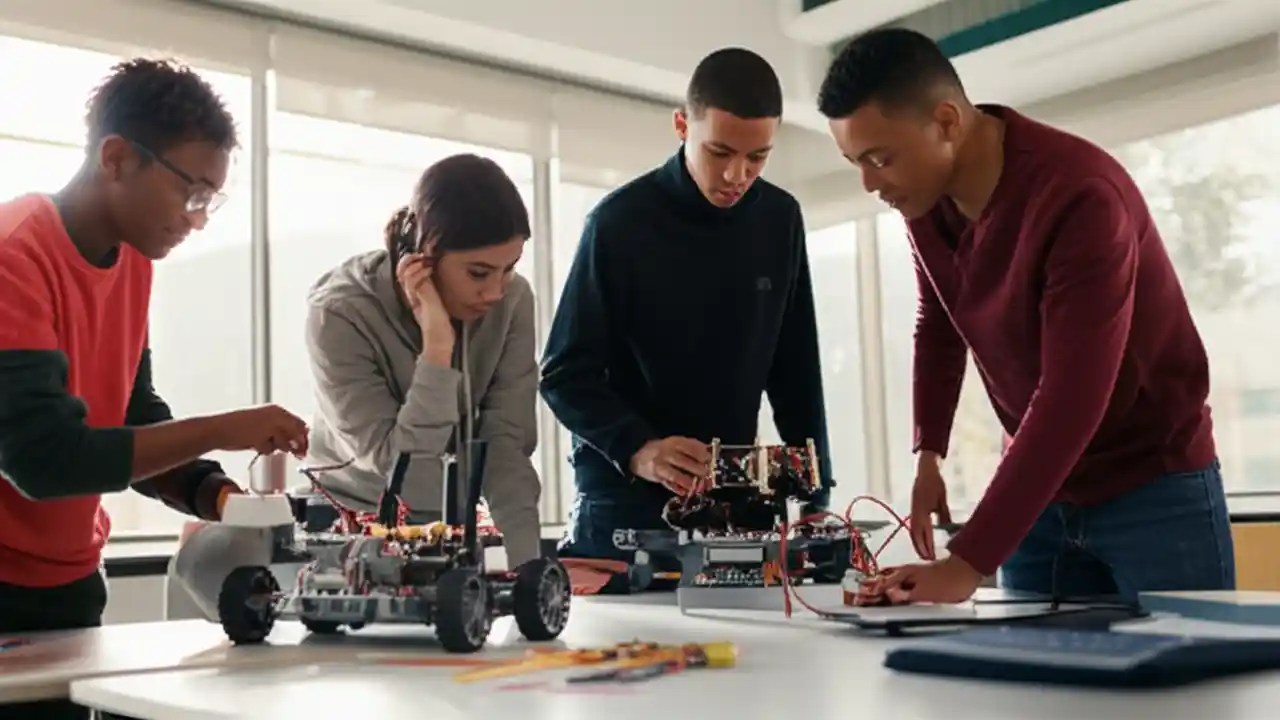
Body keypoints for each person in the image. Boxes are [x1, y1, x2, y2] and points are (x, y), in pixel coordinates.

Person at [817, 28, 1234, 605]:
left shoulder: (1082, 196)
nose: (869, 184)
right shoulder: (923, 200)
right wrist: (928, 456)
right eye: (854, 163)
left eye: (879, 159)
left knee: (1190, 690)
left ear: (946, 122)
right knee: (1033, 691)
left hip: (1153, 486)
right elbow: (939, 322)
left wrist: (966, 564)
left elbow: (1071, 398)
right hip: (1042, 492)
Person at [0, 58, 310, 719]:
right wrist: (227, 426)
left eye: (210, 200)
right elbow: (45, 460)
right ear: (116, 158)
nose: (198, 219)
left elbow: (132, 413)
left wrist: (217, 495)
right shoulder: (12, 257)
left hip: (71, 587)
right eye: (191, 192)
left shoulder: (133, 261)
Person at [541, 47, 834, 564]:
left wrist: (815, 498)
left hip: (737, 505)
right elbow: (563, 375)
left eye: (757, 157)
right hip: (623, 507)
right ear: (681, 126)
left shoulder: (780, 219)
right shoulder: (617, 224)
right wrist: (640, 448)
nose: (736, 175)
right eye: (719, 152)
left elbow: (797, 374)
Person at [301, 153, 543, 569]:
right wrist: (437, 347)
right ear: (423, 256)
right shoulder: (338, 314)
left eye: (510, 269)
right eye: (479, 273)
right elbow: (406, 476)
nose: (497, 293)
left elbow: (505, 448)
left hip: (448, 527)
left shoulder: (514, 300)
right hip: (347, 527)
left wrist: (530, 574)